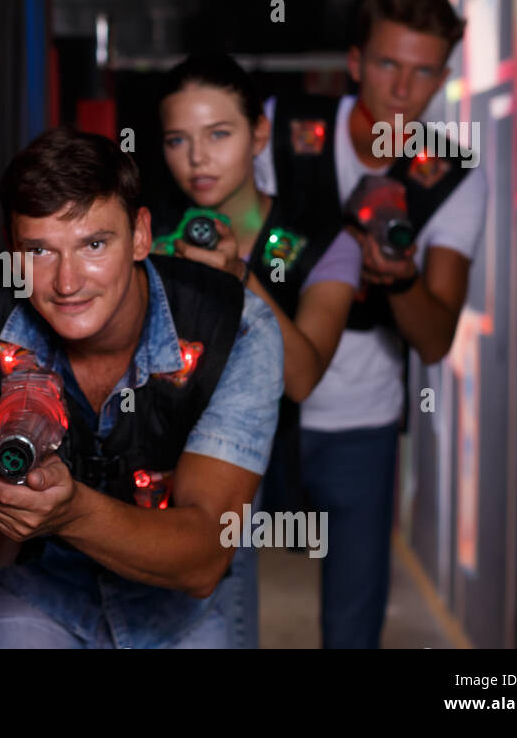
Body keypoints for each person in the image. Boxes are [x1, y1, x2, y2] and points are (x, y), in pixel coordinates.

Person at [0, 126, 283, 648]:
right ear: (11, 250)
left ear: (140, 235)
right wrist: (5, 507)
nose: (68, 282)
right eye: (40, 251)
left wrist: (71, 511)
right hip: (28, 593)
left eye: (94, 244)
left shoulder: (235, 326)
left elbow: (205, 558)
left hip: (171, 607)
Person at [253, 0, 487, 647]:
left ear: (444, 76)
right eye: (388, 64)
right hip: (255, 400)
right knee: (210, 602)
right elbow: (231, 240)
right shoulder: (285, 125)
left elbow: (435, 338)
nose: (403, 88)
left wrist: (399, 278)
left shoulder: (452, 171)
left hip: (362, 420)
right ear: (356, 62)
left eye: (424, 71)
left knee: (353, 628)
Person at [154, 53, 363, 647]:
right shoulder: (146, 232)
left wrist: (238, 277)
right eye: (177, 140)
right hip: (143, 455)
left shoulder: (320, 241)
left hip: (240, 465)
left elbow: (301, 377)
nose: (197, 158)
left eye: (218, 134)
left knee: (222, 612)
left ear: (260, 134)